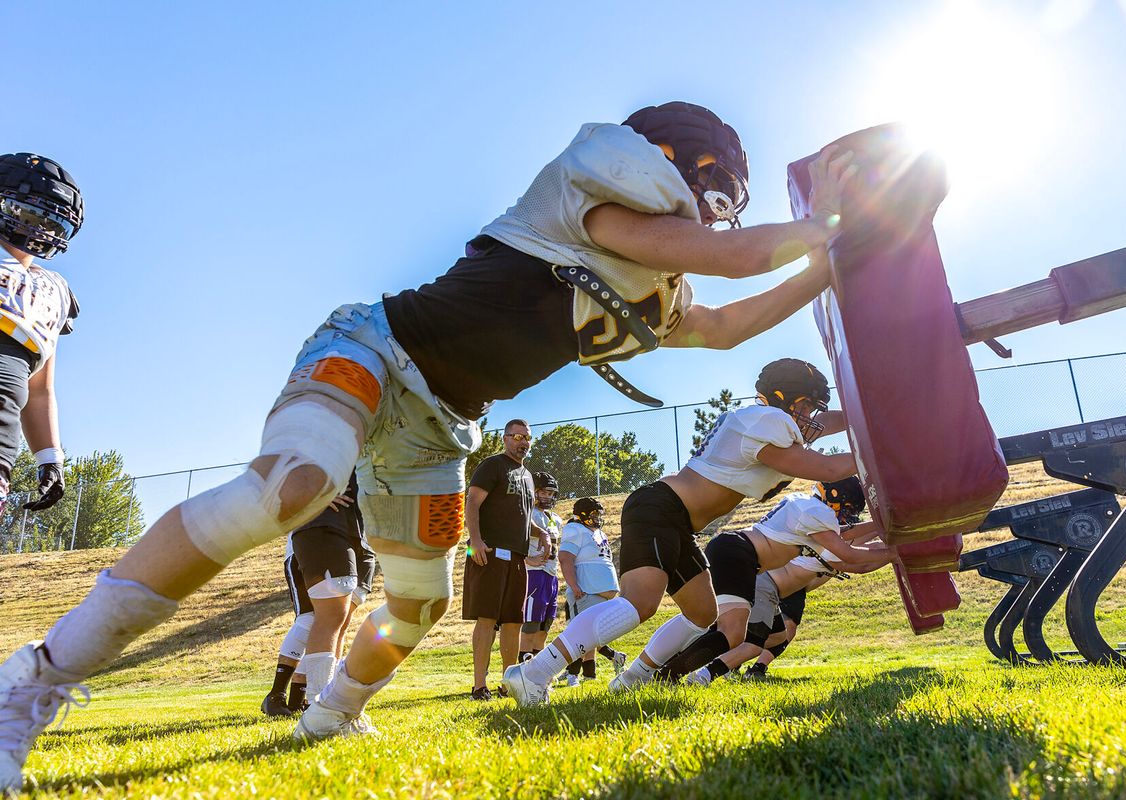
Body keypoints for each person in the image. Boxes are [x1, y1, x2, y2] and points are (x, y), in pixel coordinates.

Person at [0, 99, 856, 786]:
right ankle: (35, 679)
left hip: (441, 424)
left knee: (419, 603)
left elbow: (734, 320)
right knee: (292, 485)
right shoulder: (603, 199)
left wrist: (832, 263)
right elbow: (736, 262)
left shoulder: (663, 284)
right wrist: (842, 232)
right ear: (679, 162)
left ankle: (334, 709)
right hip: (373, 349)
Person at [505, 360, 870, 706]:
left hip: (676, 519)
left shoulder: (764, 418)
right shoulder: (767, 420)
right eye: (806, 407)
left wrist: (865, 414)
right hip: (660, 508)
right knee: (639, 603)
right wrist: (878, 438)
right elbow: (825, 467)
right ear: (783, 398)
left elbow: (831, 428)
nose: (810, 418)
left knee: (701, 613)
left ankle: (634, 678)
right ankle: (536, 672)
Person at [671, 477, 894, 686]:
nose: (845, 518)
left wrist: (880, 525)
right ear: (835, 498)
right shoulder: (819, 522)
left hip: (764, 581)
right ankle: (702, 675)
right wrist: (897, 552)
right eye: (846, 510)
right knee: (749, 642)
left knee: (778, 636)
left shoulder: (808, 509)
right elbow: (856, 559)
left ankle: (696, 658)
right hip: (764, 583)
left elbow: (847, 536)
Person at [0, 154, 84, 519]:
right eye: (26, 213)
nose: (37, 228)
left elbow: (39, 388)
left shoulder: (51, 291)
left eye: (49, 220)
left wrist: (50, 458)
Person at [261, 476, 376, 715]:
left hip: (357, 539)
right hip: (313, 537)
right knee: (311, 620)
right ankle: (278, 694)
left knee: (338, 623)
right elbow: (281, 477)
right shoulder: (317, 446)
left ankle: (301, 698)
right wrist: (316, 498)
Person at [463, 420, 549, 700]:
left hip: (517, 558)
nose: (523, 442)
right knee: (487, 619)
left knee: (513, 621)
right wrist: (475, 541)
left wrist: (542, 534)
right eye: (518, 436)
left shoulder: (526, 475)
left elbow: (522, 517)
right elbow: (472, 502)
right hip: (488, 553)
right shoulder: (493, 465)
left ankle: (507, 683)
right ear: (505, 438)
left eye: (528, 438)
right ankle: (479, 686)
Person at [557, 497, 626, 686]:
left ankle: (589, 673)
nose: (598, 518)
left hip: (601, 588)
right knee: (581, 633)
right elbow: (565, 558)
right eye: (594, 514)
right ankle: (574, 675)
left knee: (591, 634)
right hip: (587, 589)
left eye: (599, 514)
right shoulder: (574, 528)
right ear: (583, 515)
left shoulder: (597, 532)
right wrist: (574, 585)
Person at [518, 472, 564, 664]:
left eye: (551, 493)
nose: (548, 497)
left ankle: (537, 673)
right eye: (544, 492)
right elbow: (512, 541)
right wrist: (527, 559)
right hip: (533, 575)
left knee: (544, 630)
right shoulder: (526, 513)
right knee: (529, 627)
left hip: (551, 576)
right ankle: (521, 672)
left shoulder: (556, 519)